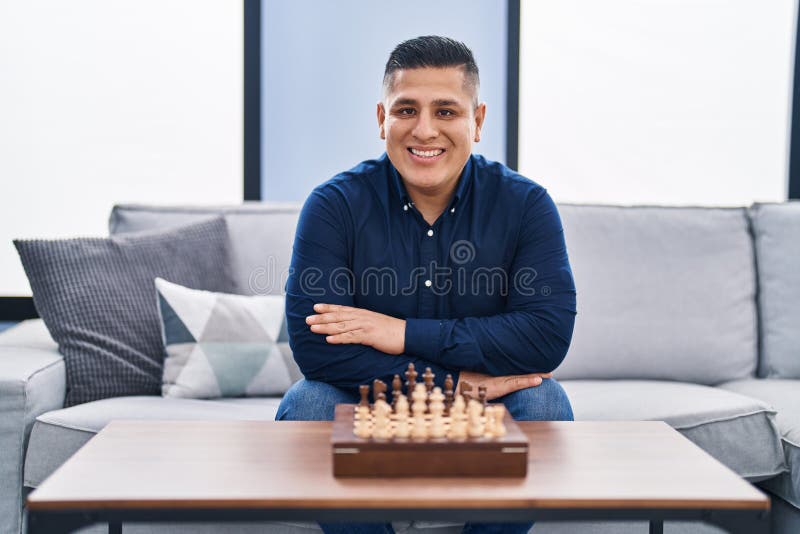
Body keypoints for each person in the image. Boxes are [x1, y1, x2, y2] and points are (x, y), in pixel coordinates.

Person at [277, 35, 576, 534]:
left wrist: (401, 332)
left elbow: (545, 336)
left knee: (545, 405)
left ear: (477, 122)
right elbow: (317, 351)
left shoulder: (526, 205)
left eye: (445, 111)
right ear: (381, 119)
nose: (424, 130)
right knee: (307, 405)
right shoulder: (333, 205)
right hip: (372, 402)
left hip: (484, 410)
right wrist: (454, 384)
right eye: (406, 110)